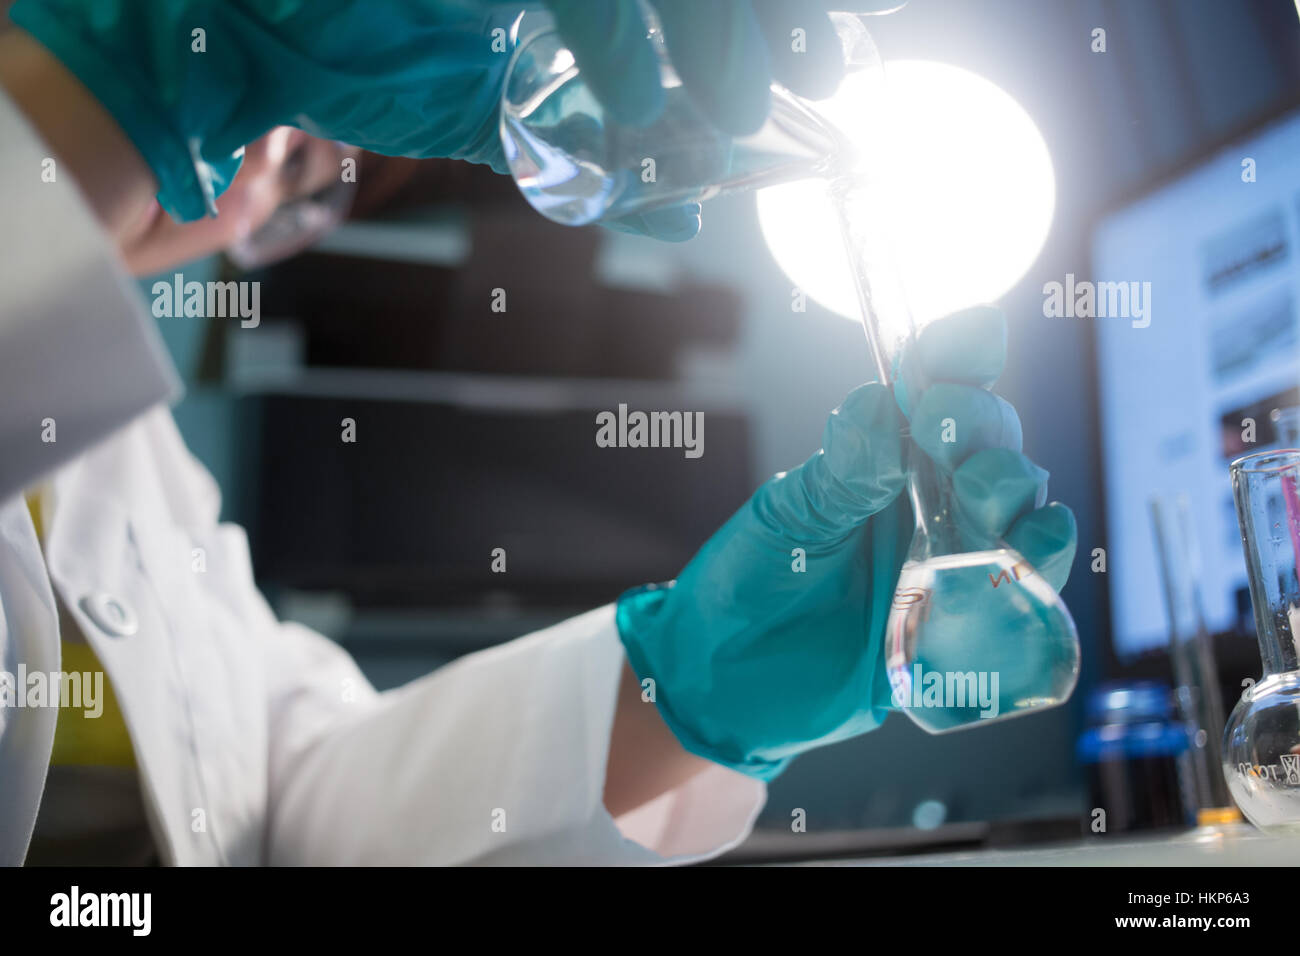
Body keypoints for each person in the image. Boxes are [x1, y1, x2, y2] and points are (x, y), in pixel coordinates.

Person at [0, 0, 1075, 865]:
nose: (238, 182)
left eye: (306, 171)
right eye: (264, 103)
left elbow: (284, 813)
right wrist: (112, 82)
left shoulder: (141, 470)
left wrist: (679, 691)